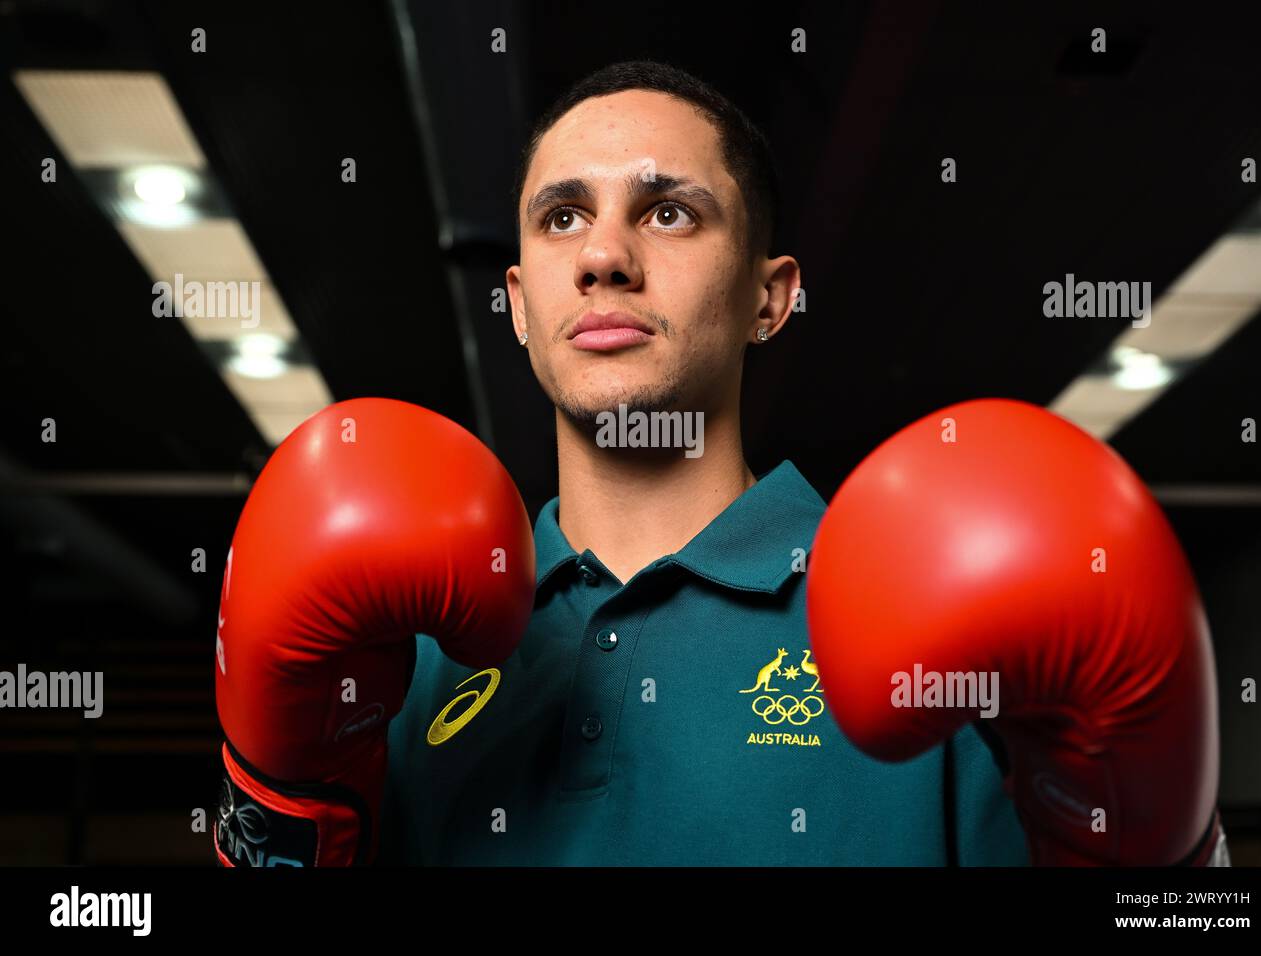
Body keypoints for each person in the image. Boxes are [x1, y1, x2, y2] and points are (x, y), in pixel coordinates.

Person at [375, 60, 1028, 865]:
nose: (603, 257)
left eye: (670, 213)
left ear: (771, 298)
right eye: (563, 218)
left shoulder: (930, 617)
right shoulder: (420, 652)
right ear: (516, 302)